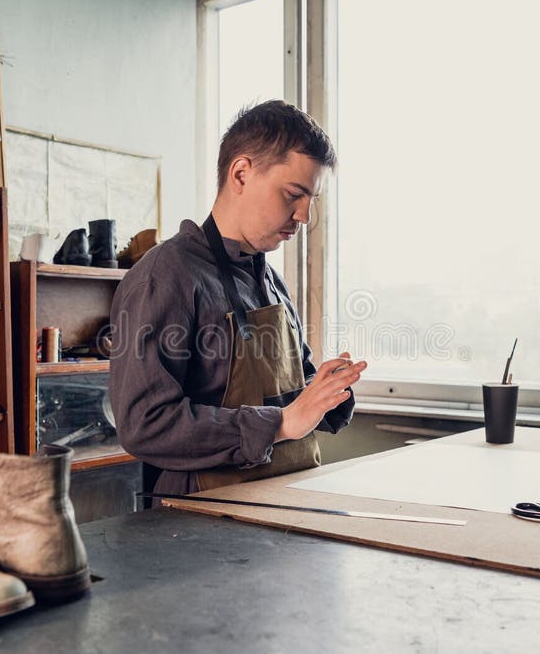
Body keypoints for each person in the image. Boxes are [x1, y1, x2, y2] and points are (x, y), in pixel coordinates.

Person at [108, 100, 367, 495]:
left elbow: (294, 393)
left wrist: (326, 392)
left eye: (311, 200)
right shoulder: (166, 276)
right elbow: (146, 424)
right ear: (241, 174)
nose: (304, 217)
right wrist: (281, 423)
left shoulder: (270, 280)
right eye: (293, 194)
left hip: (287, 502)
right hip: (201, 520)